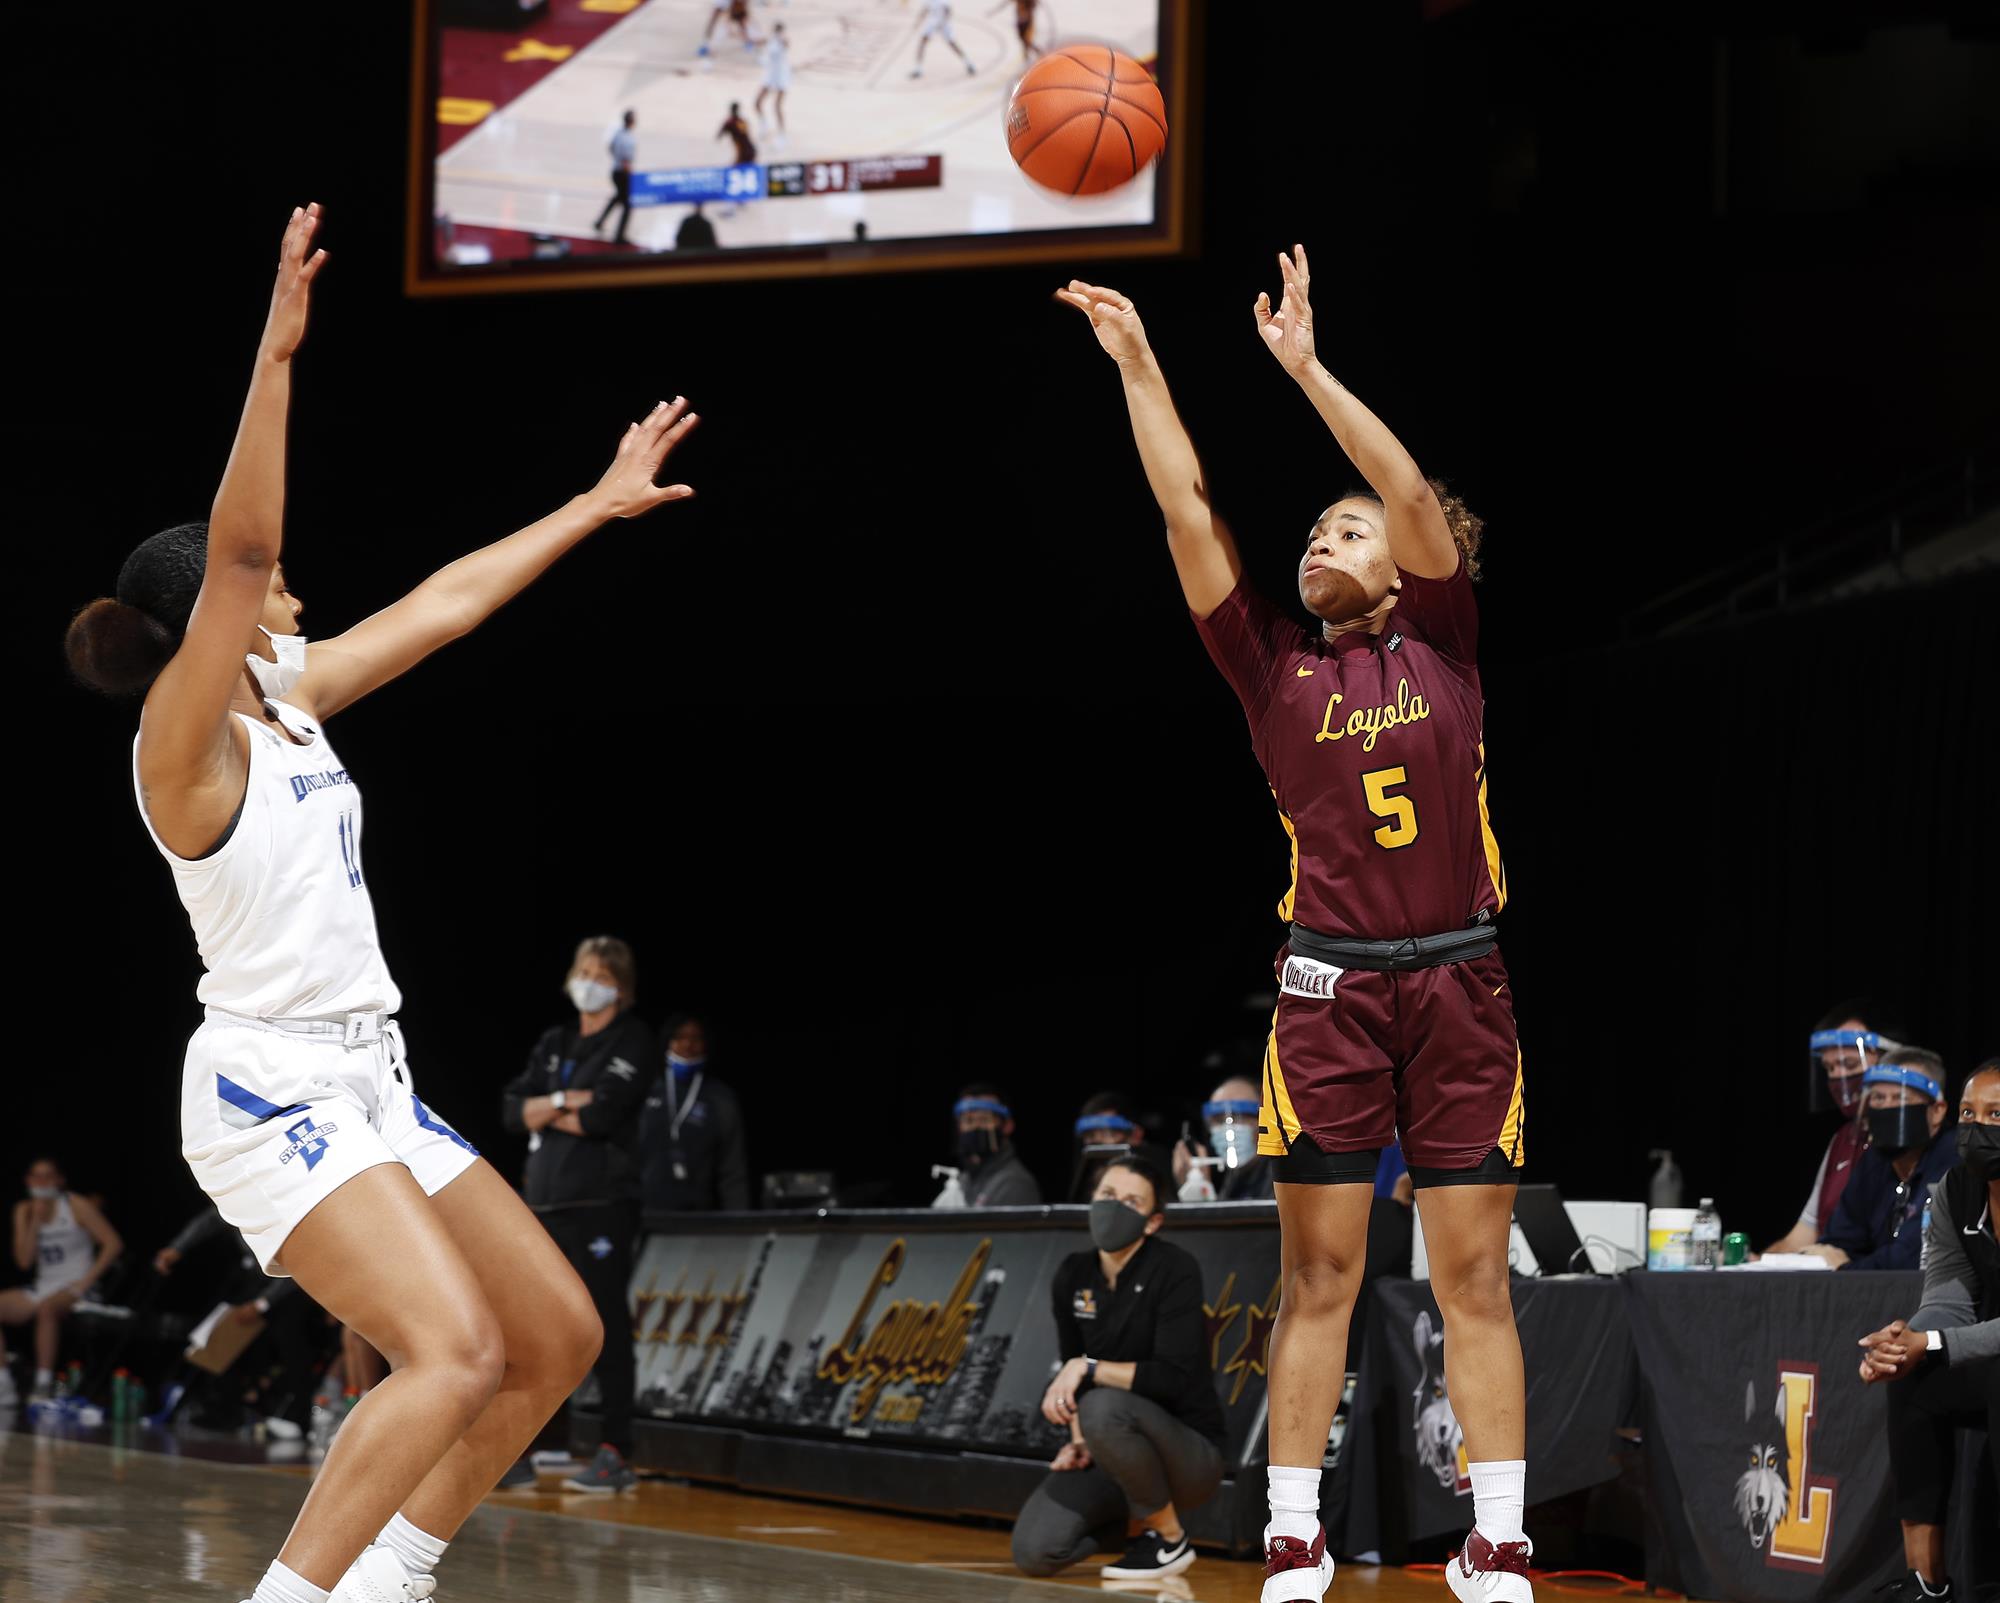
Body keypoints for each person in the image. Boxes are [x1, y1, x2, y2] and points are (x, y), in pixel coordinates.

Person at [61, 203, 700, 1603]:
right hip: (266, 1084)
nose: (295, 588)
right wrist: (276, 354)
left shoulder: (288, 702)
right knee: (454, 1349)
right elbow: (239, 554)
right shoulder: (182, 744)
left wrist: (594, 504)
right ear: (205, 629)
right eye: (276, 585)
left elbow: (450, 601)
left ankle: (387, 1576)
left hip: (372, 1071)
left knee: (552, 1336)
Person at [1060, 248, 1531, 1603]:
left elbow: (1402, 494)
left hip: (1459, 983)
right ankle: (1293, 1531)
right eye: (1314, 530)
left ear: (1403, 550)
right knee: (1317, 1275)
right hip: (1328, 990)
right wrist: (1142, 365)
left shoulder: (1442, 631)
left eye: (1349, 526)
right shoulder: (1269, 665)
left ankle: (1494, 1535)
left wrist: (1309, 370)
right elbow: (1186, 507)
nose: (1321, 539)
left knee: (1471, 1276)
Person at [1012, 1153, 1226, 1583]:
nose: (1113, 1208)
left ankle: (1168, 1538)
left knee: (1104, 1406)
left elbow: (1171, 1378)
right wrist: (1080, 1441)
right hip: (1112, 1444)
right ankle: (1137, 1528)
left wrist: (1088, 1368)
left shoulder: (1174, 1269)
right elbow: (1074, 1378)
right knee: (1035, 1552)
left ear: (1152, 1223)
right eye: (1107, 1195)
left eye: (1130, 1202)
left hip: (1189, 1454)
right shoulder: (1073, 1274)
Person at [499, 936, 658, 1494]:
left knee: (604, 1324)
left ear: (620, 985)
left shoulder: (633, 1039)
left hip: (602, 1204)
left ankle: (616, 1452)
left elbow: (606, 1116)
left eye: (601, 974)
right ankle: (514, 1450)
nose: (589, 982)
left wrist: (553, 1107)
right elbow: (513, 1111)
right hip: (544, 1203)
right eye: (583, 971)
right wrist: (571, 1100)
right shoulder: (556, 1040)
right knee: (526, 1328)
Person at [1857, 1059, 2000, 1603]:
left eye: (1996, 1114)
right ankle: (1926, 1585)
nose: (1977, 1126)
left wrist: (1932, 1344)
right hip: (1990, 1357)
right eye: (1968, 1113)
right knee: (1911, 1378)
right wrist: (1903, 1343)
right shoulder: (1952, 1193)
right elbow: (1947, 1301)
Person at [1763, 1001, 1903, 1256]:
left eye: (1850, 1065)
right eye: (1830, 1068)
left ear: (1891, 1061)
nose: (1839, 1077)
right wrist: (1751, 1264)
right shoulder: (1842, 1141)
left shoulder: (1908, 1140)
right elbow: (1800, 1238)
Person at [1808, 1049, 1957, 1272]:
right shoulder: (1874, 1161)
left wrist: (1846, 1269)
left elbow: (1913, 1257)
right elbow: (1838, 1242)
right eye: (1878, 1098)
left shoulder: (1955, 1161)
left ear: (1936, 1111)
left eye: (1901, 1098)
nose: (1887, 1107)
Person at [0, 1158, 123, 1407]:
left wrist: (84, 1283)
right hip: (45, 1284)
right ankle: (4, 1383)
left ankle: (43, 1382)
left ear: (59, 1180)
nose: (41, 1182)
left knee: (47, 1309)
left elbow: (113, 1243)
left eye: (48, 1176)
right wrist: (35, 1220)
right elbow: (24, 1262)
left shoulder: (75, 1205)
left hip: (77, 1285)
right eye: (36, 1177)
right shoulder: (23, 1210)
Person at [640, 1015, 752, 1213]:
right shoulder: (644, 1089)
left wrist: (738, 1218)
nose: (688, 1044)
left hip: (698, 1211)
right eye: (680, 1037)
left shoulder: (720, 1097)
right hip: (642, 1209)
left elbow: (733, 1170)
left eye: (696, 1038)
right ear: (667, 1041)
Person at [1172, 1075, 1276, 1202]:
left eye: (1241, 1117)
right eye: (1218, 1120)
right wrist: (1199, 1191)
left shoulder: (1282, 1177)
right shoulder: (1234, 1178)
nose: (1228, 1127)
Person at [950, 1084, 1043, 1207]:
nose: (975, 1127)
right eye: (968, 1120)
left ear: (1007, 1125)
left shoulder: (1014, 1183)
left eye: (984, 1120)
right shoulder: (963, 1181)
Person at [1068, 1091, 1146, 1202]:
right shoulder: (1081, 1187)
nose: (1097, 1141)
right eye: (1090, 1135)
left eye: (1108, 1133)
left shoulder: (1155, 1177)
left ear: (1135, 1135)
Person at [594, 110, 637, 245]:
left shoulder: (618, 134)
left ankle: (599, 222)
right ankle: (619, 235)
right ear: (632, 121)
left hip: (615, 171)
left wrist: (616, 160)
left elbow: (611, 147)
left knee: (617, 198)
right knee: (627, 205)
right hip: (623, 173)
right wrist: (630, 174)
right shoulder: (629, 139)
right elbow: (626, 161)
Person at [910, 0, 978, 77]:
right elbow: (925, 10)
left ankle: (968, 63)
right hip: (933, 22)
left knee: (952, 43)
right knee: (923, 41)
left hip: (943, 23)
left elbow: (948, 10)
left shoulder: (943, 1)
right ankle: (918, 68)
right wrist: (917, 22)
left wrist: (944, 21)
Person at [755, 24, 790, 149]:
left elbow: (787, 44)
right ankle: (764, 124)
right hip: (770, 76)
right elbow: (758, 42)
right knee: (757, 103)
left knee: (777, 106)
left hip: (781, 76)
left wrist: (781, 37)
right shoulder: (770, 40)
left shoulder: (782, 41)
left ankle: (782, 135)